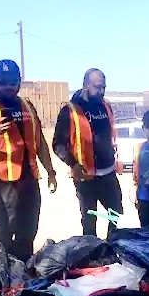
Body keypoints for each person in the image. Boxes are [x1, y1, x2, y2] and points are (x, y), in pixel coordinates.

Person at [0, 59, 57, 261]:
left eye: (13, 81)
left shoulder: (27, 105)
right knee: (6, 232)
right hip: (3, 181)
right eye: (4, 81)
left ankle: (23, 275)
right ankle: (4, 278)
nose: (9, 86)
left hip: (29, 178)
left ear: (19, 81)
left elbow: (40, 141)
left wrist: (50, 171)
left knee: (28, 230)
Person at [53, 68, 122, 238]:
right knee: (90, 220)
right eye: (98, 87)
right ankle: (91, 253)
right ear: (86, 85)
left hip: (107, 172)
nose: (102, 91)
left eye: (104, 87)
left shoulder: (106, 106)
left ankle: (111, 245)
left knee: (115, 211)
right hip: (85, 177)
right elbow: (58, 144)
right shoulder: (70, 110)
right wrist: (72, 163)